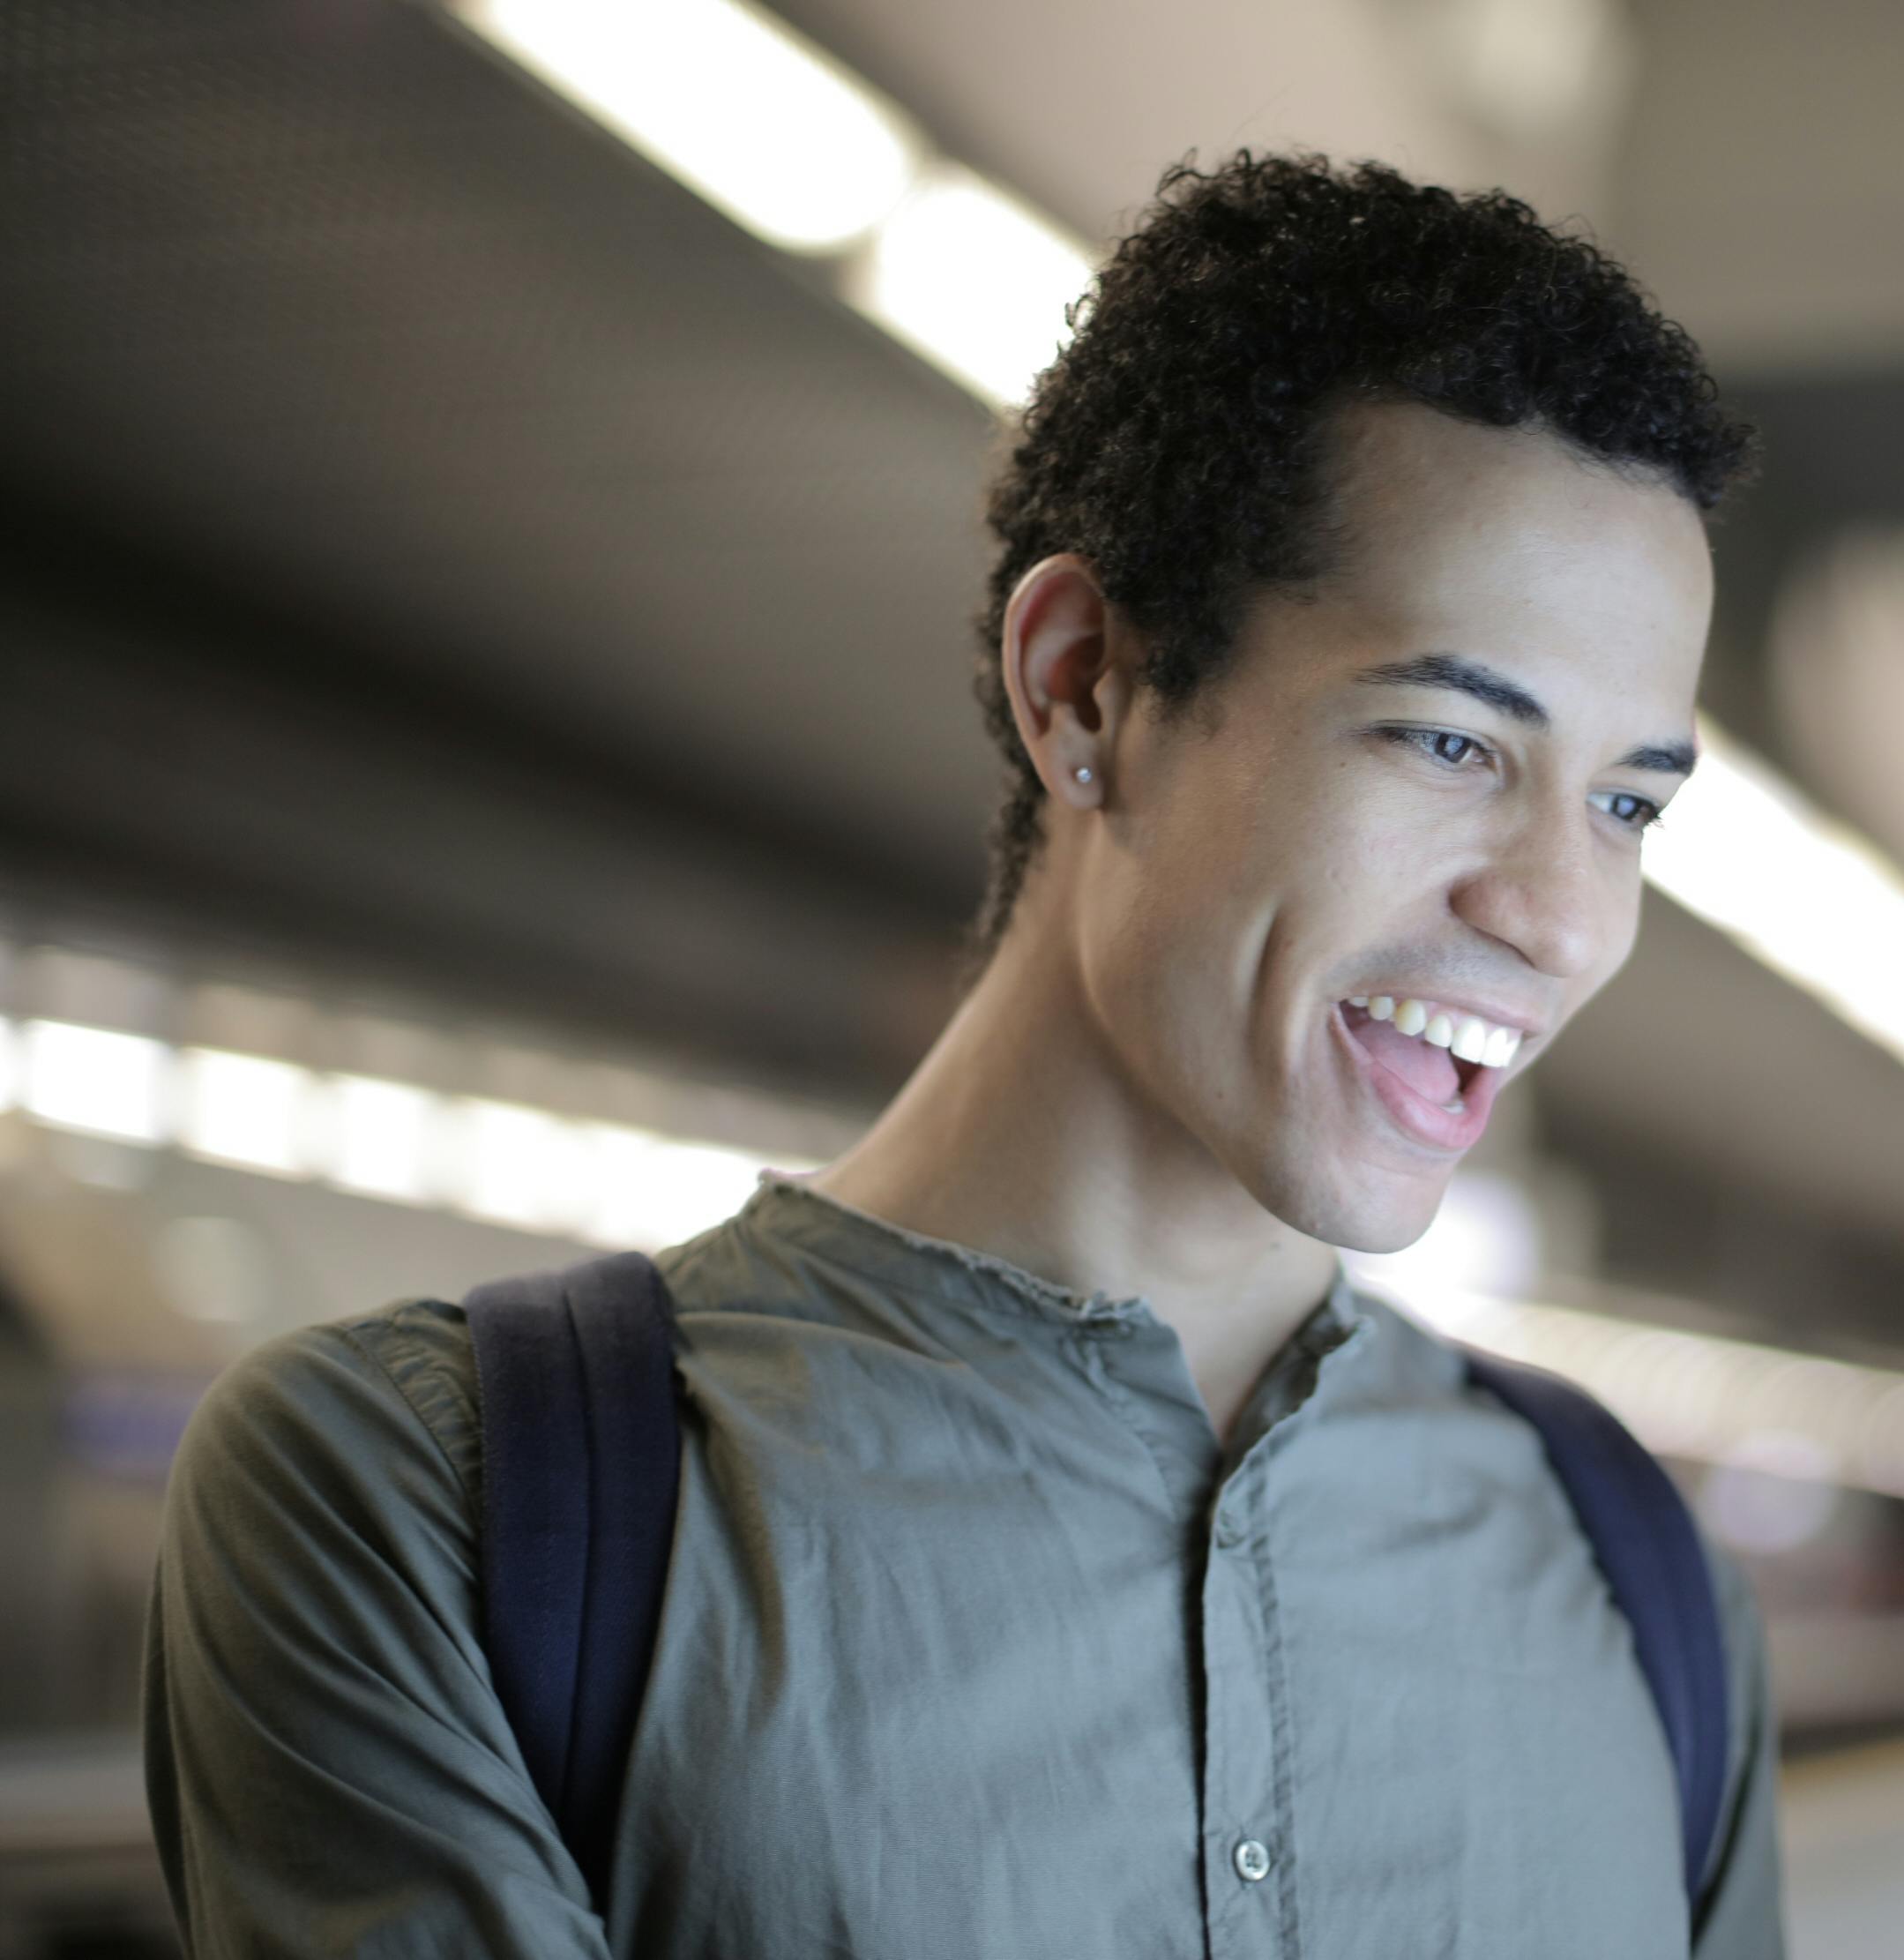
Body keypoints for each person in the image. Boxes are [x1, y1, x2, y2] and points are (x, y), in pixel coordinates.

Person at [143, 148, 1782, 1956]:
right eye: (1451, 745)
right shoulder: (426, 1506)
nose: (1560, 913)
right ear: (1085, 688)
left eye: (1627, 801)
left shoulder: (1643, 1586)